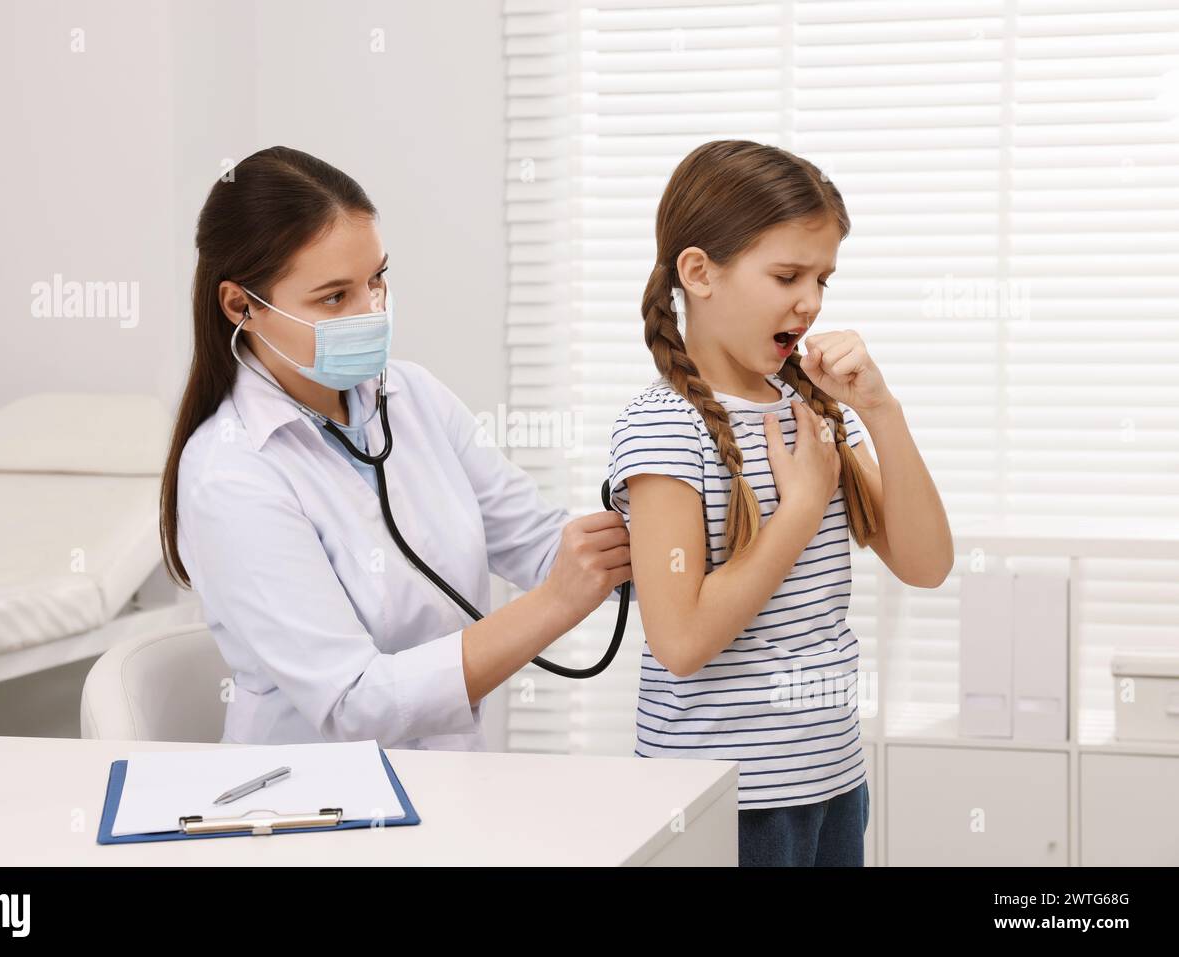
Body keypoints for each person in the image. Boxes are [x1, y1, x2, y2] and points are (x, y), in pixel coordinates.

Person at [160, 146, 631, 749]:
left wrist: (684, 523)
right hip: (311, 811)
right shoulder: (230, 472)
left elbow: (540, 543)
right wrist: (556, 603)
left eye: (377, 279)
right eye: (334, 297)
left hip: (446, 787)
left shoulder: (410, 396)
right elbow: (356, 704)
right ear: (241, 305)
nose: (371, 311)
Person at [606, 140, 953, 866]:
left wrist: (880, 410)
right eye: (787, 274)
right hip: (728, 802)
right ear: (699, 272)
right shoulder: (664, 426)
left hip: (832, 781)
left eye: (823, 278)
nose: (812, 301)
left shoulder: (811, 407)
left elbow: (925, 564)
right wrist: (797, 512)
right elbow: (682, 641)